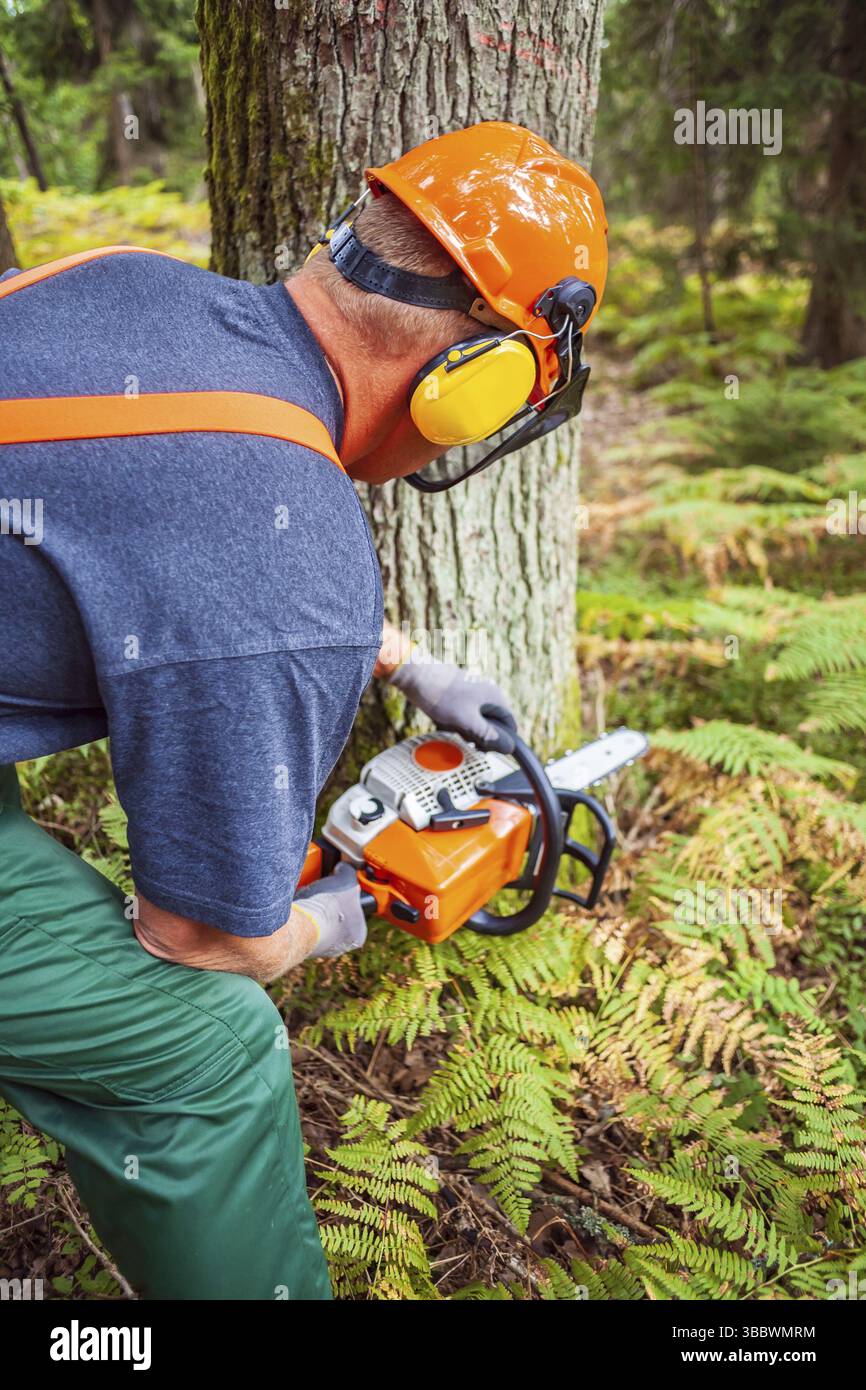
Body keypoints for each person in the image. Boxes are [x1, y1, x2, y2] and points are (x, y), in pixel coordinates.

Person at [0, 121, 607, 1299]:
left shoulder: (124, 281)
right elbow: (200, 937)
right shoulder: (295, 552)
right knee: (212, 1044)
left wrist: (397, 660)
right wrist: (330, 920)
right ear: (470, 379)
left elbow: (139, 502)